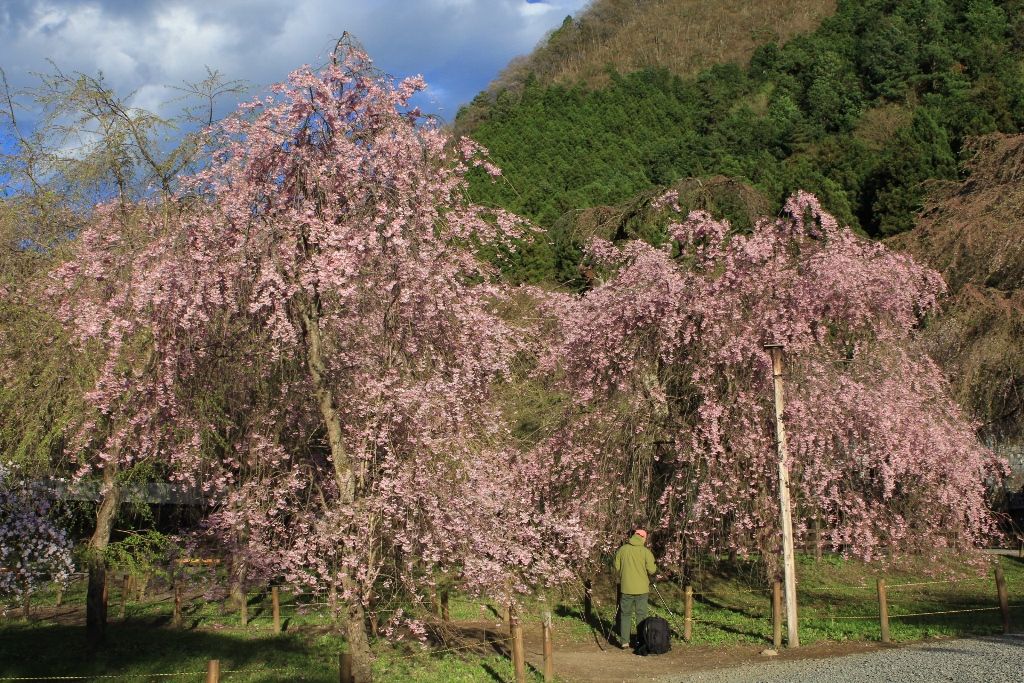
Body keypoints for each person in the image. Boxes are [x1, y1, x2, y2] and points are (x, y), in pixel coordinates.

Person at [613, 528, 657, 649]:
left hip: (626, 588)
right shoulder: (645, 552)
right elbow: (652, 570)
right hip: (642, 589)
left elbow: (616, 567)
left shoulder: (622, 550)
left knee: (625, 614)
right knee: (641, 615)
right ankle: (641, 641)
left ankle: (624, 641)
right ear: (643, 538)